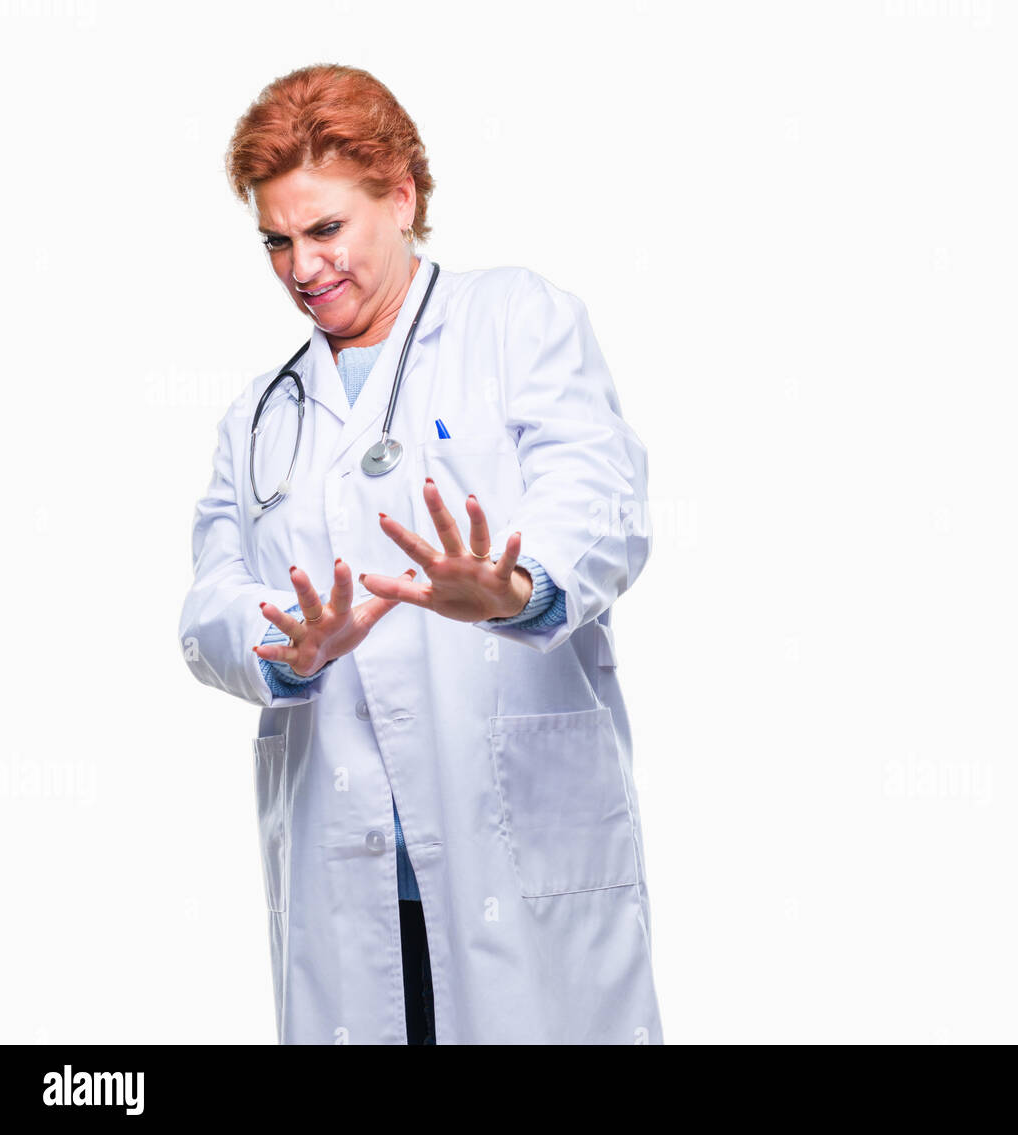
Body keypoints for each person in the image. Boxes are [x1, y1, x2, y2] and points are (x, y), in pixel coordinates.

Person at [178, 63, 662, 1044]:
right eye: (276, 240)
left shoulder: (514, 319)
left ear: (400, 197)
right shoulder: (261, 412)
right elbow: (208, 607)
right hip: (344, 864)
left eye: (324, 231)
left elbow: (600, 490)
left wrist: (521, 588)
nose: (301, 269)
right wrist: (282, 646)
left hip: (511, 848)